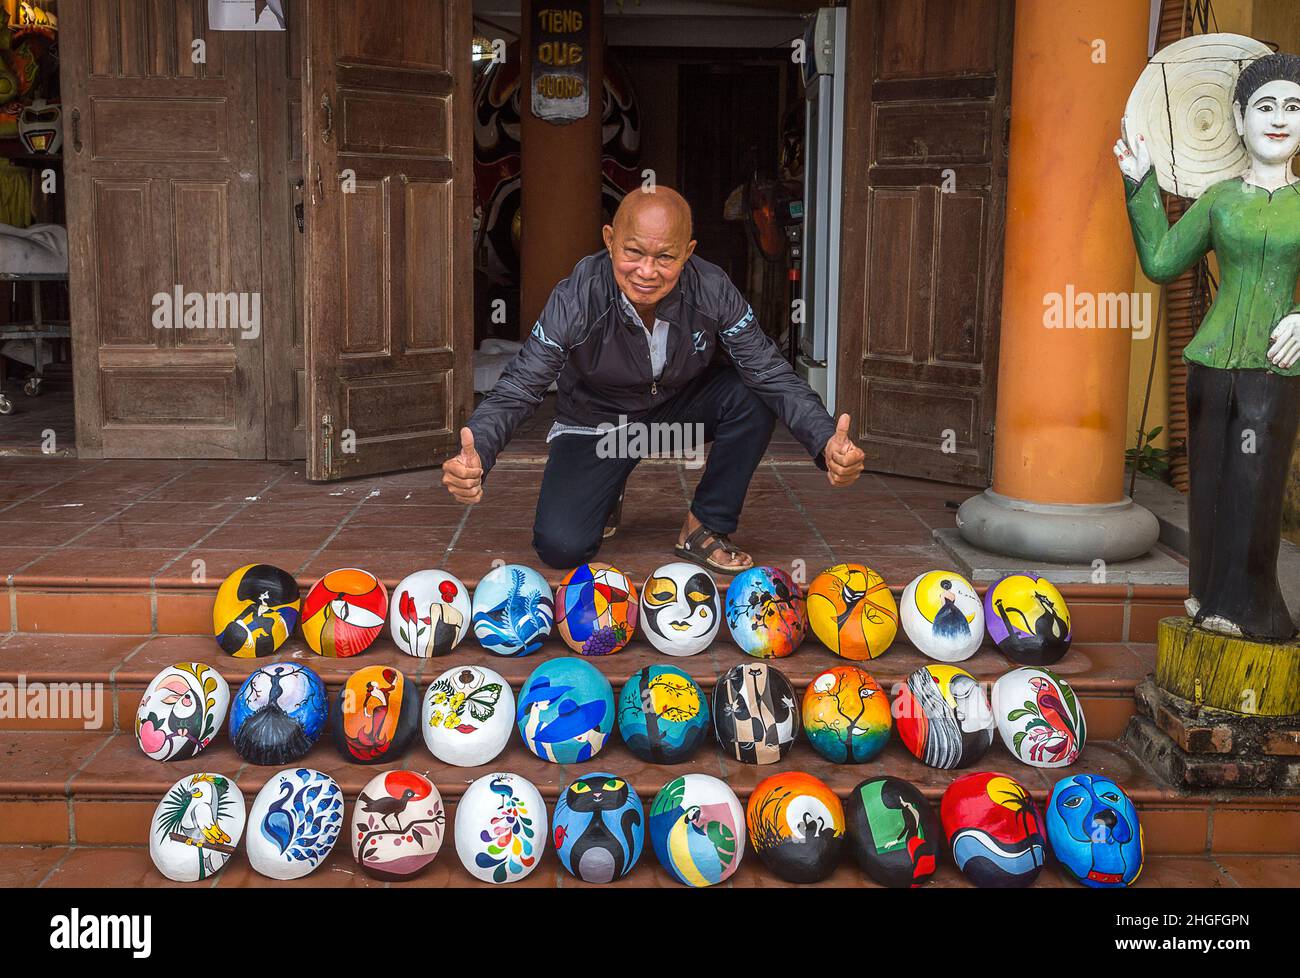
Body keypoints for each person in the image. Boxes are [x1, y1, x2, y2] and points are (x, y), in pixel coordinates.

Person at [442, 185, 866, 573]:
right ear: (609, 240)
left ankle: (705, 526)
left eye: (665, 257)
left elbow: (770, 371)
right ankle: (607, 489)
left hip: (673, 416)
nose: (647, 271)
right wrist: (478, 450)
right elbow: (519, 387)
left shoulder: (712, 289)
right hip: (600, 426)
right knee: (562, 547)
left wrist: (825, 439)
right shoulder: (575, 299)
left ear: (688, 252)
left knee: (753, 394)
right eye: (633, 252)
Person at [1114, 53, 1300, 640]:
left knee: (1254, 481)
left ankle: (1254, 608)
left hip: (1274, 365)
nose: (1279, 119)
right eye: (1265, 106)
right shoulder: (1221, 198)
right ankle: (1207, 595)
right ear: (1240, 118)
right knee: (1212, 481)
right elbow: (1162, 261)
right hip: (1210, 362)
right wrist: (1140, 182)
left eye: (1293, 107)